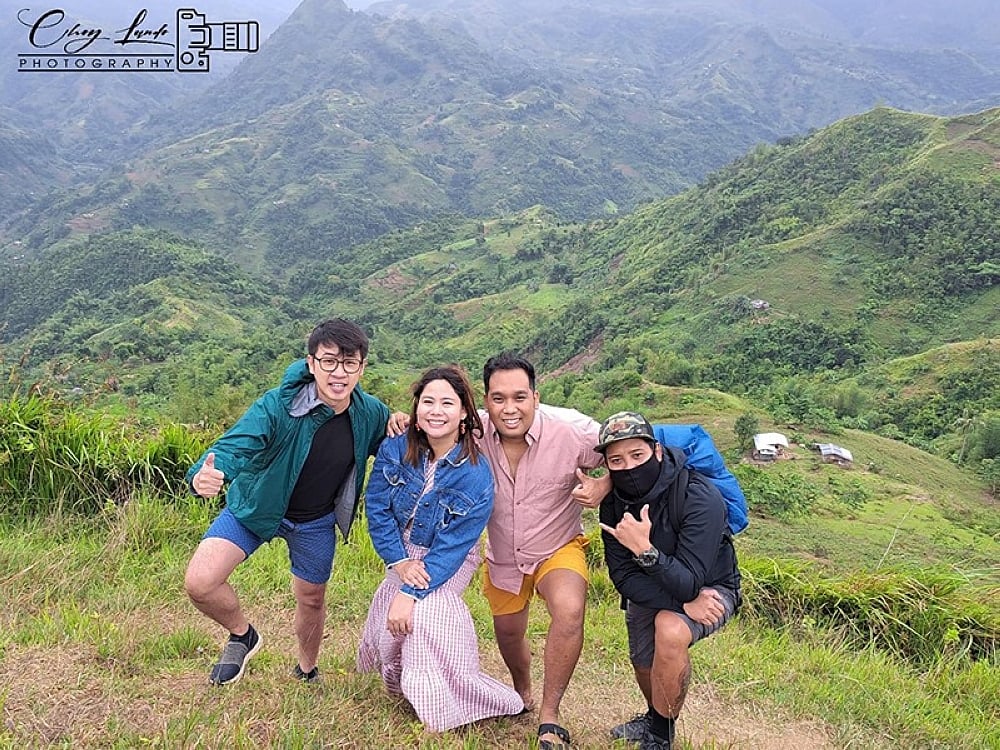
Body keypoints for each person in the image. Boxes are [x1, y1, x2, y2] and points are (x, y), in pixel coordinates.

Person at [184, 318, 393, 686]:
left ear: (362, 368)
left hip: (315, 520)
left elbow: (394, 445)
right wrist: (205, 473)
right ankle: (242, 634)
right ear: (311, 363)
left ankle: (307, 670)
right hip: (256, 508)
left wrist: (404, 423)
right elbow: (234, 445)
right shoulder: (278, 406)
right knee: (201, 582)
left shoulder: (371, 413)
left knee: (312, 599)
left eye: (349, 363)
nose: (338, 373)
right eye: (329, 361)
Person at [357, 364, 524, 731]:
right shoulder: (396, 448)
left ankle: (450, 703)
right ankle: (400, 686)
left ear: (464, 411)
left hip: (449, 560)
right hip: (402, 552)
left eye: (447, 403)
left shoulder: (475, 474)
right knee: (397, 621)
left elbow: (453, 547)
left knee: (423, 617)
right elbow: (378, 508)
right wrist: (399, 563)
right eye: (427, 401)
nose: (436, 411)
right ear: (416, 409)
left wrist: (410, 591)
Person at [476, 352, 611, 750]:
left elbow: (631, 453)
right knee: (508, 632)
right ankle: (522, 692)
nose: (510, 408)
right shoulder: (473, 432)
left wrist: (604, 486)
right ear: (486, 401)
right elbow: (426, 427)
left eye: (520, 397)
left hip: (558, 546)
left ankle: (550, 716)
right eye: (498, 398)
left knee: (569, 609)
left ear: (536, 396)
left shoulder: (573, 432)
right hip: (502, 553)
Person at [596, 411, 742, 750]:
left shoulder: (698, 496)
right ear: (606, 466)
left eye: (637, 455)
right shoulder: (614, 503)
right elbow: (622, 576)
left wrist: (645, 550)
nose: (628, 467)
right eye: (616, 460)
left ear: (657, 451)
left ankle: (661, 738)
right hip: (657, 587)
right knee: (642, 659)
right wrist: (679, 600)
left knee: (670, 629)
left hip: (711, 588)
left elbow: (692, 582)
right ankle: (654, 717)